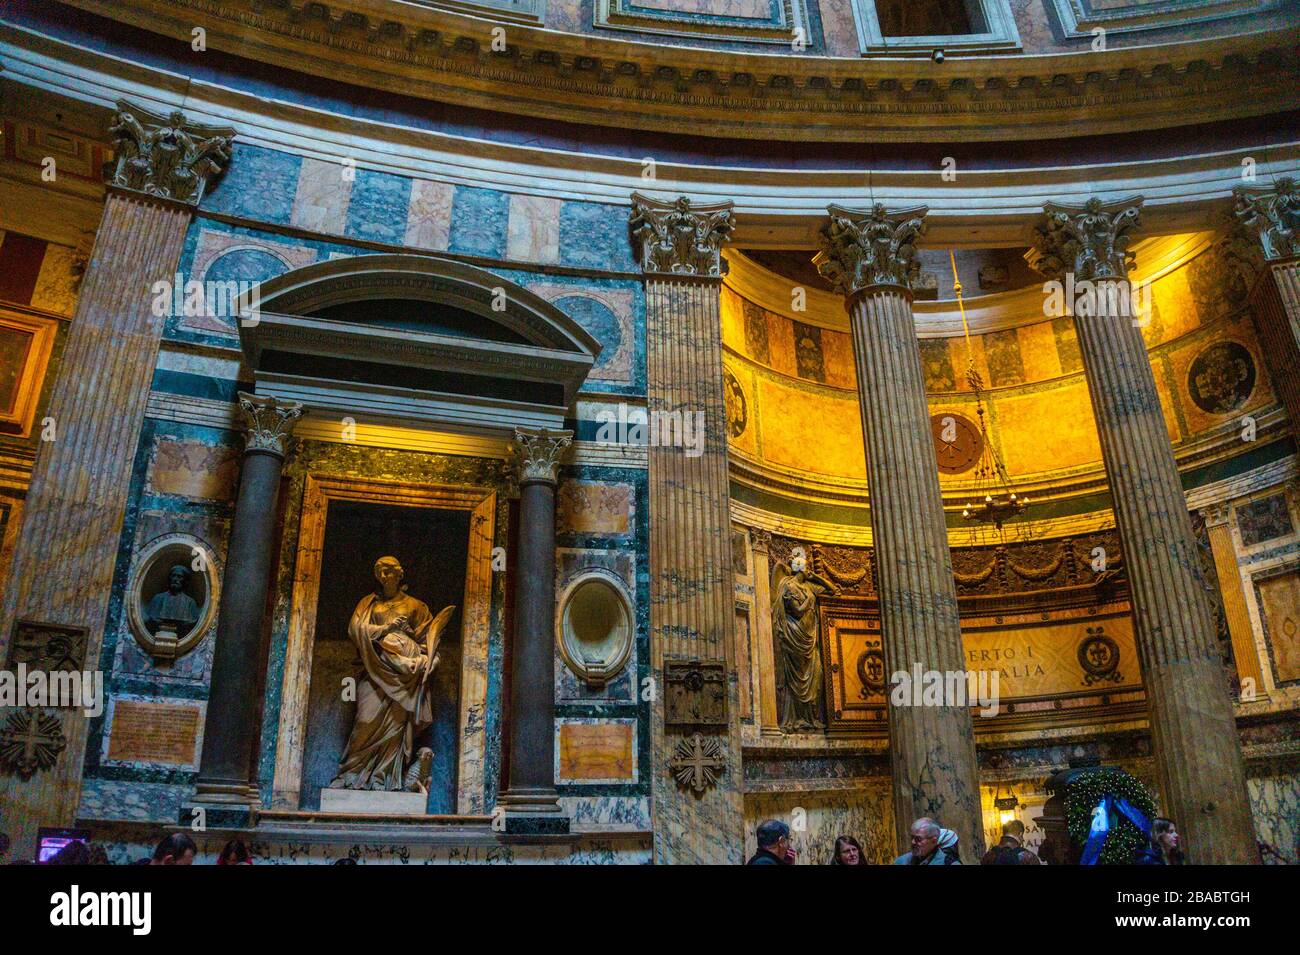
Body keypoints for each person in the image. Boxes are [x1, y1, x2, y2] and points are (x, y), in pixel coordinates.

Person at [893, 817, 961, 865]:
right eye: (912, 837)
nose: (913, 842)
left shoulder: (949, 863)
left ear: (934, 841)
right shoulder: (900, 861)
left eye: (918, 839)